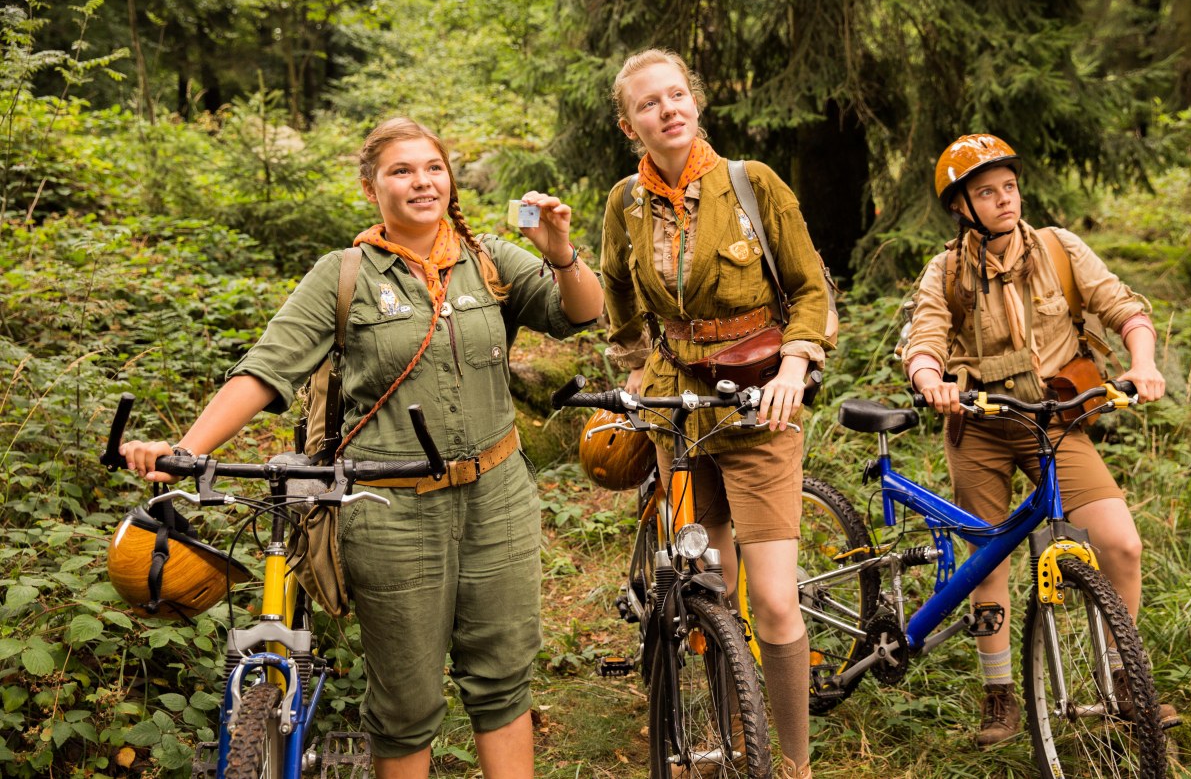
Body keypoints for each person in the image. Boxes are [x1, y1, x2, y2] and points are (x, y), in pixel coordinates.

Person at [120, 116, 604, 779]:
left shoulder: (487, 258)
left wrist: (559, 250)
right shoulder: (341, 275)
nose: (422, 181)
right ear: (371, 185)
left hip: (499, 499)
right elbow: (266, 369)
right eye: (401, 170)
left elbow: (581, 311)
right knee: (405, 701)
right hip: (389, 510)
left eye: (433, 167)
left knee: (503, 684)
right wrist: (186, 446)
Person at [600, 49, 834, 779]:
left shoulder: (751, 184)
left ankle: (790, 762)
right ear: (628, 123)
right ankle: (738, 743)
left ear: (694, 102)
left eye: (677, 95)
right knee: (709, 583)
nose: (667, 109)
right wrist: (639, 368)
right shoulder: (624, 203)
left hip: (759, 400)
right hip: (678, 407)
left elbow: (811, 290)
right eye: (649, 103)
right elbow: (617, 292)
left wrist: (795, 367)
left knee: (770, 595)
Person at [901, 133, 1179, 746]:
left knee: (1120, 543)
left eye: (1009, 187)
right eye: (986, 192)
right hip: (979, 426)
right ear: (962, 207)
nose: (1005, 200)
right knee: (988, 564)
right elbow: (924, 338)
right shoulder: (946, 270)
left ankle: (1121, 677)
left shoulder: (1059, 248)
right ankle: (999, 694)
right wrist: (931, 381)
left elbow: (1123, 307)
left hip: (1053, 421)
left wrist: (1143, 363)